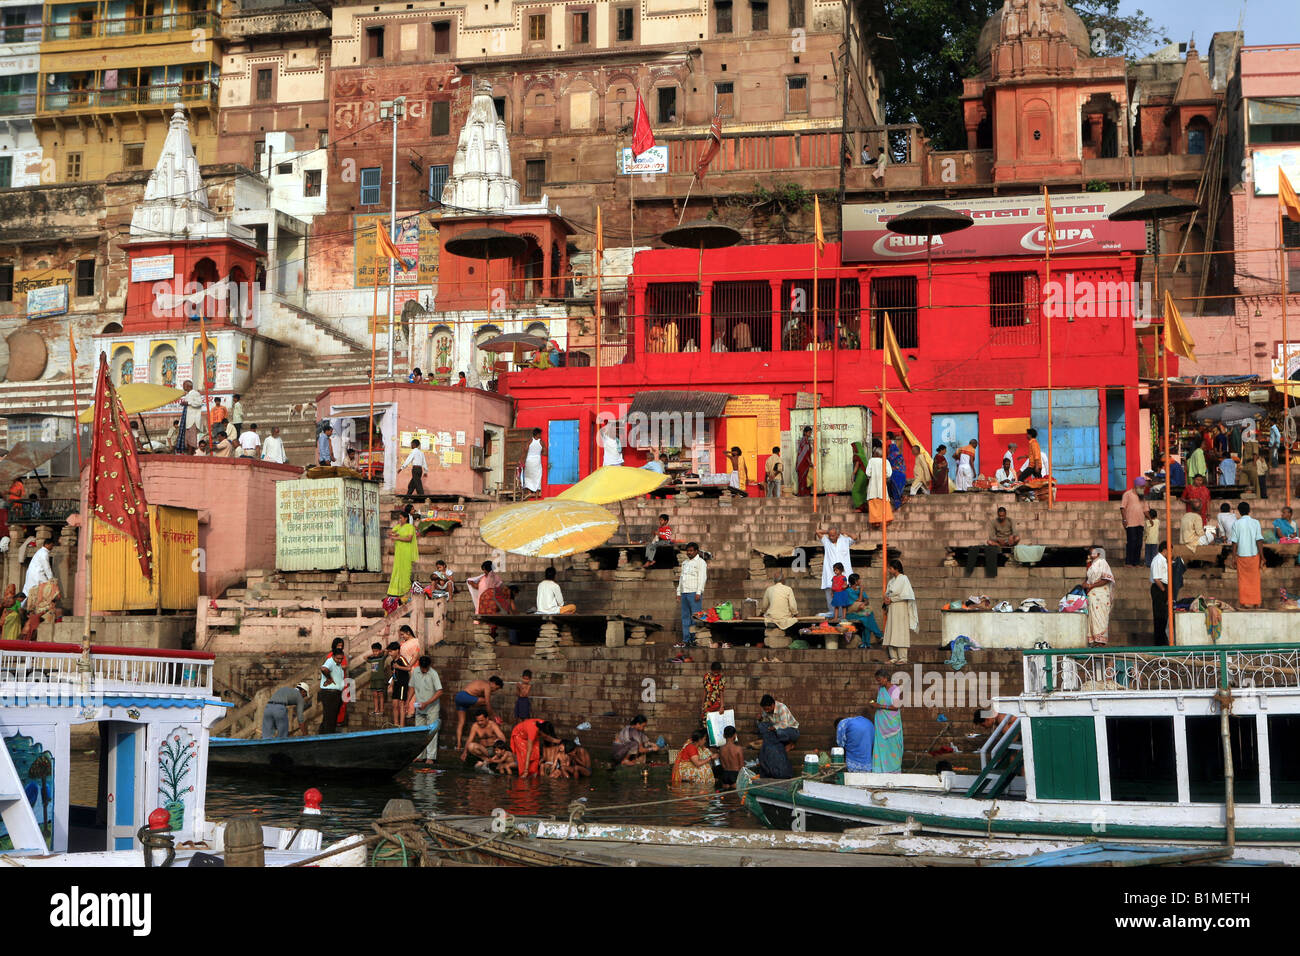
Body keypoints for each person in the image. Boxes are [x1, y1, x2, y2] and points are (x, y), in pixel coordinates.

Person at [866, 669, 904, 772]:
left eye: (879, 680)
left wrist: (879, 706)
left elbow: (896, 707)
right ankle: (880, 770)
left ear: (886, 678)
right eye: (877, 680)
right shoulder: (880, 689)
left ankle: (894, 770)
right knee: (881, 748)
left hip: (892, 724)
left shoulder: (895, 690)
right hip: (881, 724)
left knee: (893, 748)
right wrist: (874, 704)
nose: (878, 682)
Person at [881, 558, 917, 664]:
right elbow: (888, 593)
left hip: (901, 608)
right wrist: (887, 600)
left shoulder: (904, 579)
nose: (888, 570)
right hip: (892, 608)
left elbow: (907, 595)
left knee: (901, 631)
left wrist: (892, 599)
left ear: (896, 569)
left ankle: (903, 658)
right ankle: (893, 657)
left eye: (890, 568)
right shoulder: (891, 581)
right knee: (891, 631)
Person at [966, 506, 1018, 578]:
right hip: (998, 541)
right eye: (1000, 516)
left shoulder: (1010, 520)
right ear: (997, 514)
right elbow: (991, 536)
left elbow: (1015, 532)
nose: (1001, 517)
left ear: (1005, 514)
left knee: (1017, 538)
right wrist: (998, 540)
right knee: (989, 542)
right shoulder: (993, 522)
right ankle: (1000, 546)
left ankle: (1007, 545)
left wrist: (1011, 536)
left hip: (1008, 541)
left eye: (1003, 516)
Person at [453, 676, 504, 748]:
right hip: (465, 696)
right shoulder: (487, 686)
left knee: (461, 722)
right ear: (493, 683)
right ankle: (484, 718)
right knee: (485, 702)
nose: (494, 690)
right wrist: (494, 717)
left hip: (458, 697)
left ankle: (458, 744)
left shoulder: (482, 684)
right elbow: (488, 704)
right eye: (496, 688)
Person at [1229, 501, 1263, 609]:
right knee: (1255, 580)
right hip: (1254, 555)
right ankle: (1256, 602)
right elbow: (1259, 540)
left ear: (1239, 512)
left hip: (1241, 556)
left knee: (1242, 580)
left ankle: (1244, 603)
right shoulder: (1256, 522)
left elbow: (1234, 542)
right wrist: (1262, 556)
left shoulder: (1236, 524)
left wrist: (1233, 557)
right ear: (1249, 511)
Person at [410, 656, 443, 763]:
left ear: (429, 666)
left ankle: (430, 757)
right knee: (419, 732)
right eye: (422, 668)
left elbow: (439, 691)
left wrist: (427, 703)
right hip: (419, 706)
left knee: (431, 732)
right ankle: (420, 755)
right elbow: (412, 686)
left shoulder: (433, 674)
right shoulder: (415, 671)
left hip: (432, 708)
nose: (424, 670)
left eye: (425, 668)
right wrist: (407, 701)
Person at [852, 440, 892, 527]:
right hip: (882, 486)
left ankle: (876, 521)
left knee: (873, 503)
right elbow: (889, 474)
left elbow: (868, 473)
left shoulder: (871, 461)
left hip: (873, 486)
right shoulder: (886, 461)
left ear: (875, 454)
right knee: (884, 501)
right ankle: (887, 519)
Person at [1082, 546, 1115, 647]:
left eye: (1093, 553)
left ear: (1099, 554)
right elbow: (1088, 579)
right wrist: (1085, 584)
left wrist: (1091, 585)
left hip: (1101, 594)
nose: (1091, 555)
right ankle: (1094, 640)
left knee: (1101, 617)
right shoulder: (1092, 565)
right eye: (1090, 553)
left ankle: (1101, 641)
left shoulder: (1103, 563)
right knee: (1092, 617)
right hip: (1092, 595)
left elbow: (1107, 579)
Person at [817, 526, 855, 613]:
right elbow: (817, 531)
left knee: (844, 598)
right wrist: (829, 531)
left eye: (833, 535)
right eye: (830, 535)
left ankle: (844, 616)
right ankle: (833, 615)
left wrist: (844, 532)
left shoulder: (845, 540)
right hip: (830, 574)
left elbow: (855, 537)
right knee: (831, 599)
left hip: (844, 575)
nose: (831, 537)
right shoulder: (826, 541)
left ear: (838, 535)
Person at [676, 542, 707, 647]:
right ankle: (686, 639)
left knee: (695, 617)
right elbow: (681, 578)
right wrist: (678, 592)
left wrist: (699, 592)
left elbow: (702, 578)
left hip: (694, 593)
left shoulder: (701, 562)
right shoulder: (685, 563)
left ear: (696, 551)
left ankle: (694, 639)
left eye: (691, 551)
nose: (689, 553)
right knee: (685, 617)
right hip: (684, 592)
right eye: (688, 551)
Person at [387, 510, 418, 599]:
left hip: (406, 551)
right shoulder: (398, 526)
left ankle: (406, 590)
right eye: (399, 518)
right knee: (397, 569)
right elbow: (391, 533)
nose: (399, 519)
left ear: (405, 518)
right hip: (399, 552)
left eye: (401, 518)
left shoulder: (410, 527)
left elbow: (409, 539)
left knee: (406, 570)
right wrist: (393, 534)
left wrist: (397, 537)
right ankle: (395, 591)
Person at [759, 569, 800, 637]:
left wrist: (761, 614)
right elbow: (793, 606)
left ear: (774, 581)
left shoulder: (769, 589)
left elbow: (764, 606)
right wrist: (795, 614)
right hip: (785, 617)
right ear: (783, 580)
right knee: (794, 620)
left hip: (772, 617)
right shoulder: (788, 589)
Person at [836, 707, 875, 772]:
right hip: (867, 766)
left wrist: (842, 745)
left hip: (851, 763)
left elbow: (840, 740)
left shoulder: (847, 721)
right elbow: (872, 744)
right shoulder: (871, 725)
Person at [318, 647, 346, 734]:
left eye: (341, 659)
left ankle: (323, 735)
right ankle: (328, 736)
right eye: (338, 658)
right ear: (333, 656)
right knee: (330, 718)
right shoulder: (330, 661)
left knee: (329, 717)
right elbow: (323, 669)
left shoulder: (338, 665)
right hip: (330, 694)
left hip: (336, 694)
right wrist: (329, 678)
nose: (339, 660)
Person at [1120, 478, 1147, 566]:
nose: (1143, 488)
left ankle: (1136, 562)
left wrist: (1150, 519)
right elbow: (1122, 507)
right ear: (1137, 486)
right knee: (1132, 542)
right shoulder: (1127, 494)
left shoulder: (1142, 496)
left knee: (1139, 543)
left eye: (1144, 487)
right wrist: (1124, 519)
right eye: (1142, 486)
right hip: (1130, 523)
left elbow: (1145, 509)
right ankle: (1128, 562)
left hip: (1140, 523)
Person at [1150, 540, 1172, 645]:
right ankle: (1159, 642)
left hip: (1163, 587)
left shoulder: (1163, 560)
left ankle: (1162, 640)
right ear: (1165, 550)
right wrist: (1163, 590)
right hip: (1160, 588)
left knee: (1164, 616)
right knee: (1160, 616)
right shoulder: (1158, 560)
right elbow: (1156, 578)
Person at [178, 380, 202, 452]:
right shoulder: (187, 395)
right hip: (186, 417)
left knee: (192, 437)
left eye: (184, 385)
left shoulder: (195, 393)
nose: (183, 387)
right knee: (186, 437)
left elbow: (199, 403)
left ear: (189, 386)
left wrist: (188, 403)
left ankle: (191, 453)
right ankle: (188, 452)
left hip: (192, 419)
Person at [364, 641, 387, 715]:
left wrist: (381, 652)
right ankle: (376, 710)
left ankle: (382, 710)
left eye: (376, 651)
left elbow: (386, 652)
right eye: (373, 651)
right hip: (373, 679)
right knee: (375, 695)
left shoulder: (382, 658)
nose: (375, 653)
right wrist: (373, 653)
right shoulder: (372, 659)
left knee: (380, 694)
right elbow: (365, 657)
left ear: (379, 651)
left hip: (380, 679)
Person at [521, 427, 544, 498]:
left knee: (528, 476)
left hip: (529, 460)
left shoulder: (529, 441)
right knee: (537, 476)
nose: (541, 435)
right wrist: (540, 452)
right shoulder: (541, 442)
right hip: (537, 461)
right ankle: (537, 493)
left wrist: (521, 459)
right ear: (537, 434)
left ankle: (529, 492)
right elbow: (545, 452)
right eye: (540, 434)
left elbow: (525, 450)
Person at [885, 433, 906, 510]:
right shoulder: (900, 455)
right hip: (902, 475)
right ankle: (900, 500)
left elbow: (887, 465)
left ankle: (897, 504)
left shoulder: (890, 456)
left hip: (895, 475)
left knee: (893, 490)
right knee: (898, 490)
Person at [795, 425, 813, 496]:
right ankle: (802, 494)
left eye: (810, 432)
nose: (810, 434)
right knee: (803, 480)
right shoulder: (804, 441)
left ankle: (805, 494)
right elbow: (804, 454)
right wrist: (809, 462)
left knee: (806, 479)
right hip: (802, 464)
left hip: (805, 464)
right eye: (809, 432)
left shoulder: (806, 441)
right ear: (805, 433)